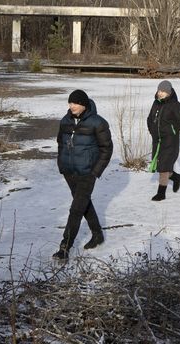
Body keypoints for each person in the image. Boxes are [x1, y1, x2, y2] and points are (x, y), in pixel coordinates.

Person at [53, 89, 113, 261]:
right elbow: (60, 144)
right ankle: (97, 235)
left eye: (76, 103)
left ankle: (64, 248)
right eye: (70, 103)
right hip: (69, 171)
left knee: (76, 209)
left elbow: (106, 149)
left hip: (87, 172)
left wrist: (96, 171)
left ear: (84, 104)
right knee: (84, 203)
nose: (72, 106)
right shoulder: (65, 121)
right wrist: (61, 163)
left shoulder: (98, 123)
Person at [147, 80, 180, 201]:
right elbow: (150, 118)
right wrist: (152, 131)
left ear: (169, 92)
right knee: (160, 166)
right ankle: (176, 177)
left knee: (164, 167)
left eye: (163, 91)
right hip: (157, 140)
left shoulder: (175, 105)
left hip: (170, 141)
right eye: (159, 90)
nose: (160, 93)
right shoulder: (155, 103)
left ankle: (161, 193)